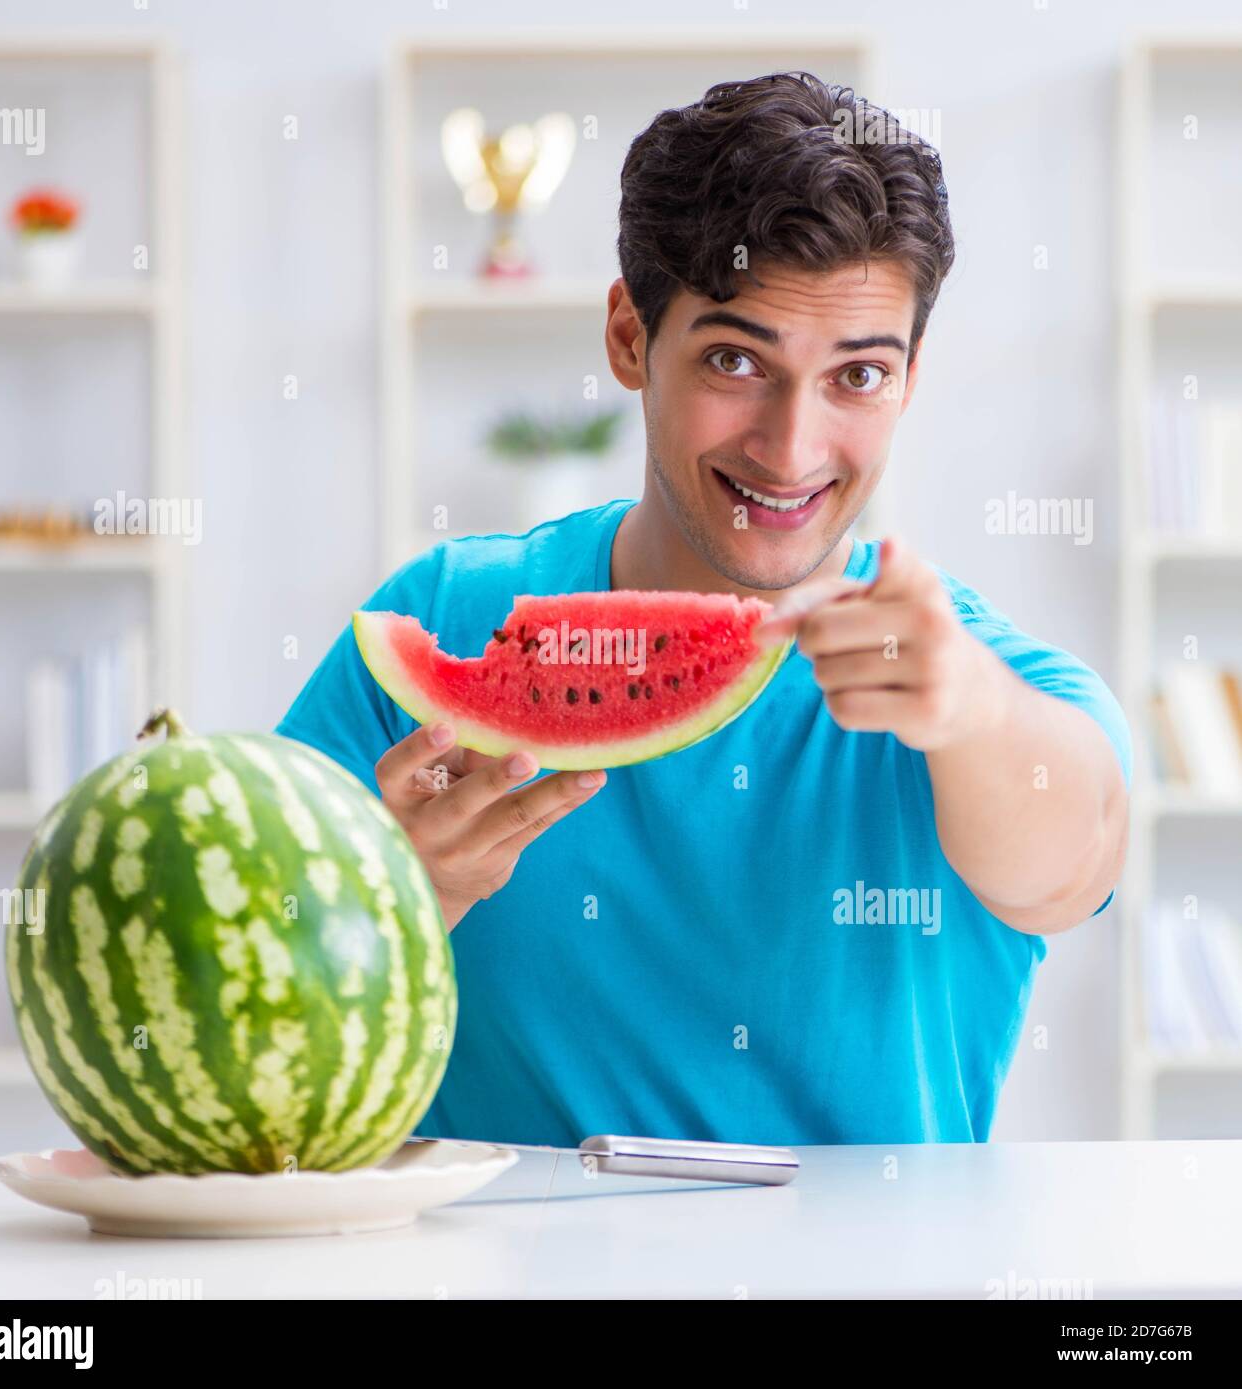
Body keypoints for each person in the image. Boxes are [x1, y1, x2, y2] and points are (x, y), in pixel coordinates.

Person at [278, 72, 1130, 1147]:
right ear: (630, 337)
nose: (791, 448)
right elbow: (233, 1038)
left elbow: (1074, 861)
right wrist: (389, 908)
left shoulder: (975, 683)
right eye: (736, 360)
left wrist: (968, 714)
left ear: (910, 378)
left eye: (856, 376)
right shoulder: (440, 618)